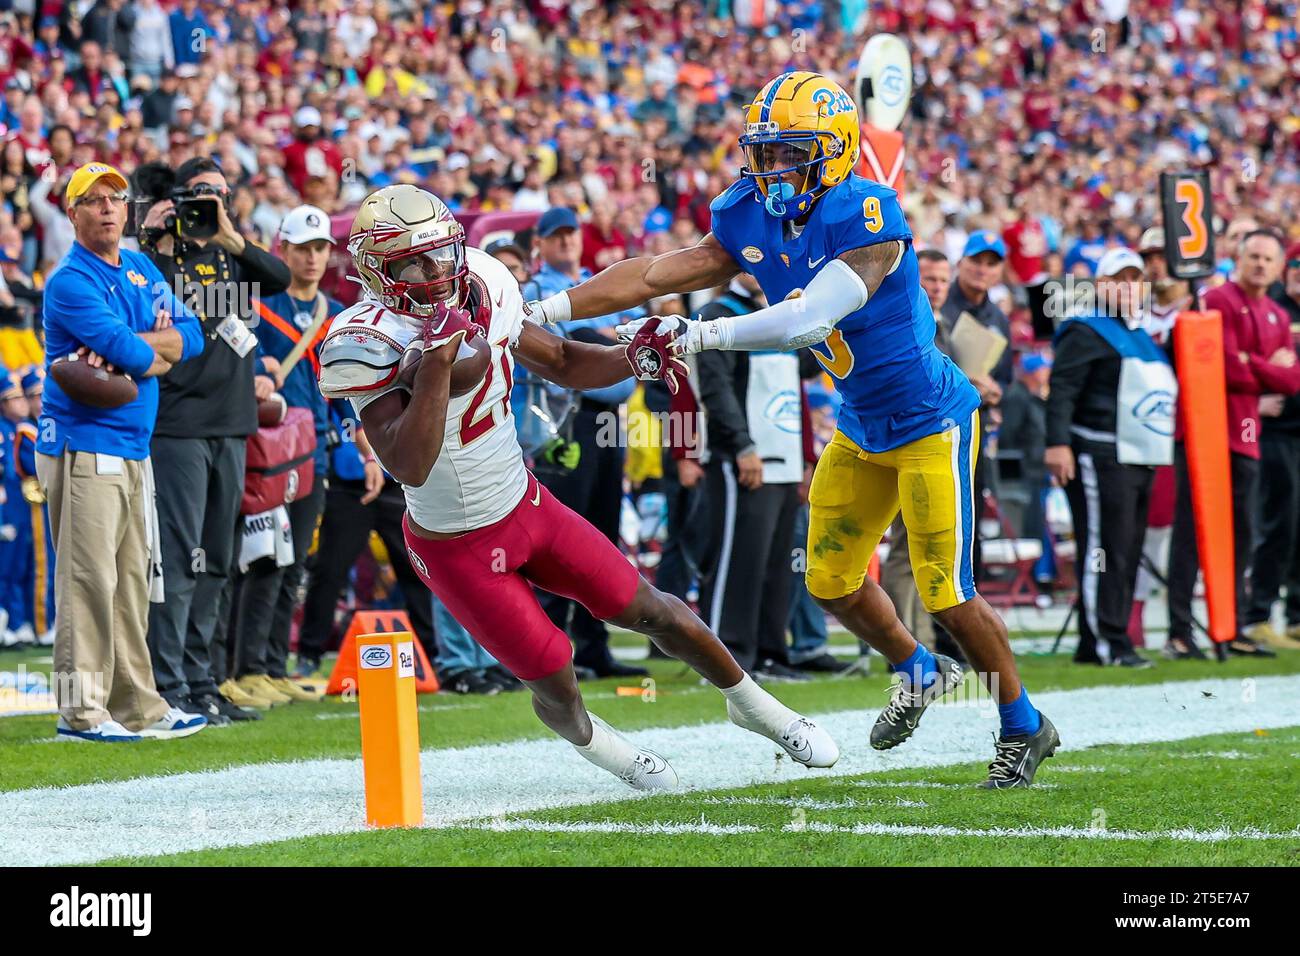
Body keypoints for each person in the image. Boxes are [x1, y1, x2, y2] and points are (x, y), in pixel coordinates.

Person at [532, 72, 1058, 789]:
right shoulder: (747, 211)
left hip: (932, 420)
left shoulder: (868, 214)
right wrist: (552, 308)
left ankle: (1024, 724)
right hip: (862, 423)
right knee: (831, 580)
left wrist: (695, 334)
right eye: (765, 153)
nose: (773, 169)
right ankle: (918, 669)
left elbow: (809, 316)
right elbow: (657, 272)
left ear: (835, 149)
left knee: (946, 590)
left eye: (790, 153)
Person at [319, 184, 837, 790]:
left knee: (654, 611)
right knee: (554, 671)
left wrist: (633, 358)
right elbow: (409, 463)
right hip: (452, 543)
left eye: (442, 253)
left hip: (524, 503)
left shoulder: (485, 283)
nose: (437, 272)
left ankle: (756, 706)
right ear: (378, 270)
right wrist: (435, 364)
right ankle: (607, 750)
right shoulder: (362, 340)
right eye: (414, 261)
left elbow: (563, 361)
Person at [36, 162, 207, 742]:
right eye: (94, 199)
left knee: (131, 579)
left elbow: (193, 336)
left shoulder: (137, 265)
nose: (108, 207)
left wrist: (149, 348)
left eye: (116, 197)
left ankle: (139, 706)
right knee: (86, 581)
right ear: (73, 212)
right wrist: (151, 348)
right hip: (85, 446)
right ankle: (79, 712)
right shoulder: (69, 280)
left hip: (133, 447)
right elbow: (132, 356)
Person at [139, 156, 292, 723]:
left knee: (218, 560)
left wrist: (229, 234)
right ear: (178, 198)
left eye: (222, 194)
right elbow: (131, 288)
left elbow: (282, 279)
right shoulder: (157, 258)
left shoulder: (232, 256)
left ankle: (203, 681)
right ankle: (169, 681)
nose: (211, 202)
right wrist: (157, 231)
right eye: (201, 193)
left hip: (232, 425)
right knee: (180, 561)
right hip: (177, 426)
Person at [521, 206, 646, 679]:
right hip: (564, 421)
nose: (568, 242)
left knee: (604, 533)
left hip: (605, 421)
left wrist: (594, 345)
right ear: (542, 242)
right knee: (561, 538)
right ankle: (553, 650)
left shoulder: (600, 283)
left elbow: (631, 350)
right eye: (557, 236)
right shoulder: (536, 292)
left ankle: (595, 645)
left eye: (572, 234)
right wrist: (606, 348)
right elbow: (567, 366)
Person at [1169, 230, 1300, 658]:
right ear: (1238, 259)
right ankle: (1179, 630)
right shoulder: (1218, 300)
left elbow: (1292, 380)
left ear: (1279, 267)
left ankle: (1233, 624)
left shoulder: (1277, 315)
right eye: (1254, 256)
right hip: (1204, 428)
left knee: (1242, 531)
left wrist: (1249, 364)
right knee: (1191, 531)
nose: (1260, 264)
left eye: (1268, 258)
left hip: (1245, 435)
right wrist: (1261, 370)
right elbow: (1219, 366)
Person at [229, 205, 339, 706]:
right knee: (263, 557)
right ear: (283, 250)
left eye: (321, 249)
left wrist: (355, 432)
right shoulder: (257, 305)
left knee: (295, 562)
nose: (314, 258)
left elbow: (344, 389)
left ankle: (275, 664)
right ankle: (246, 665)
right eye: (303, 249)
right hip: (268, 450)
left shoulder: (334, 313)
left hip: (313, 449)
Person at [1044, 248, 1175, 668]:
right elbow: (1062, 389)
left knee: (1126, 546)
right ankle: (1106, 640)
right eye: (1119, 278)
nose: (1128, 287)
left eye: (1135, 279)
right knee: (1103, 547)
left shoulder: (1138, 333)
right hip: (1099, 453)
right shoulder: (1086, 329)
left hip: (1137, 455)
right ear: (1101, 285)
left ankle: (1107, 638)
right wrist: (1057, 443)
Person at [693, 272, 818, 681]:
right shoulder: (717, 314)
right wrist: (742, 446)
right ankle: (725, 656)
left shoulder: (781, 314)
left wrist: (804, 456)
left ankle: (769, 652)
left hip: (783, 459)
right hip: (744, 460)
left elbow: (800, 378)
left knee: (776, 564)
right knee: (738, 560)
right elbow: (716, 388)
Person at [1243, 243, 1300, 650]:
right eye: (1295, 264)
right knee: (1277, 524)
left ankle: (1296, 616)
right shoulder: (1273, 311)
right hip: (1276, 432)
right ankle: (1258, 614)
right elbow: (1248, 365)